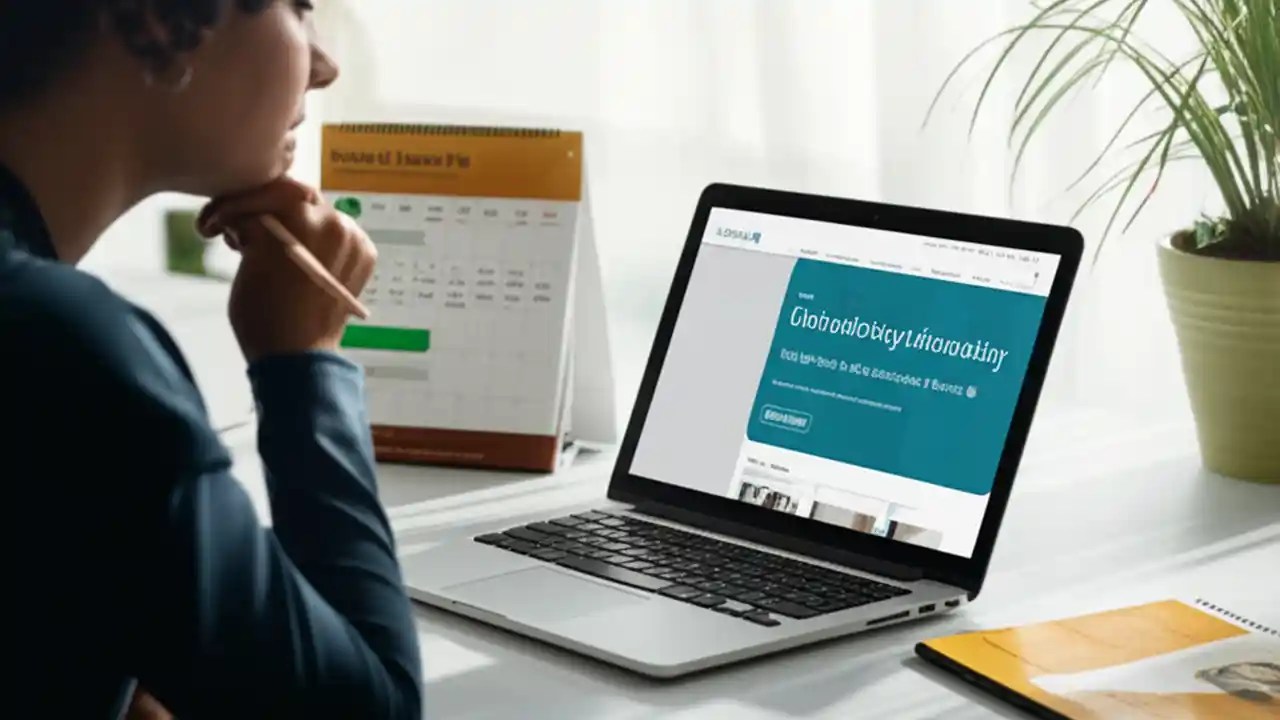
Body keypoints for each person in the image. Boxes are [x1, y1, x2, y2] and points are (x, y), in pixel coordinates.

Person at [0, 2, 422, 718]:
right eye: (298, 7)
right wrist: (304, 364)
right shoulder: (63, 349)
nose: (326, 63)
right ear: (157, 20)